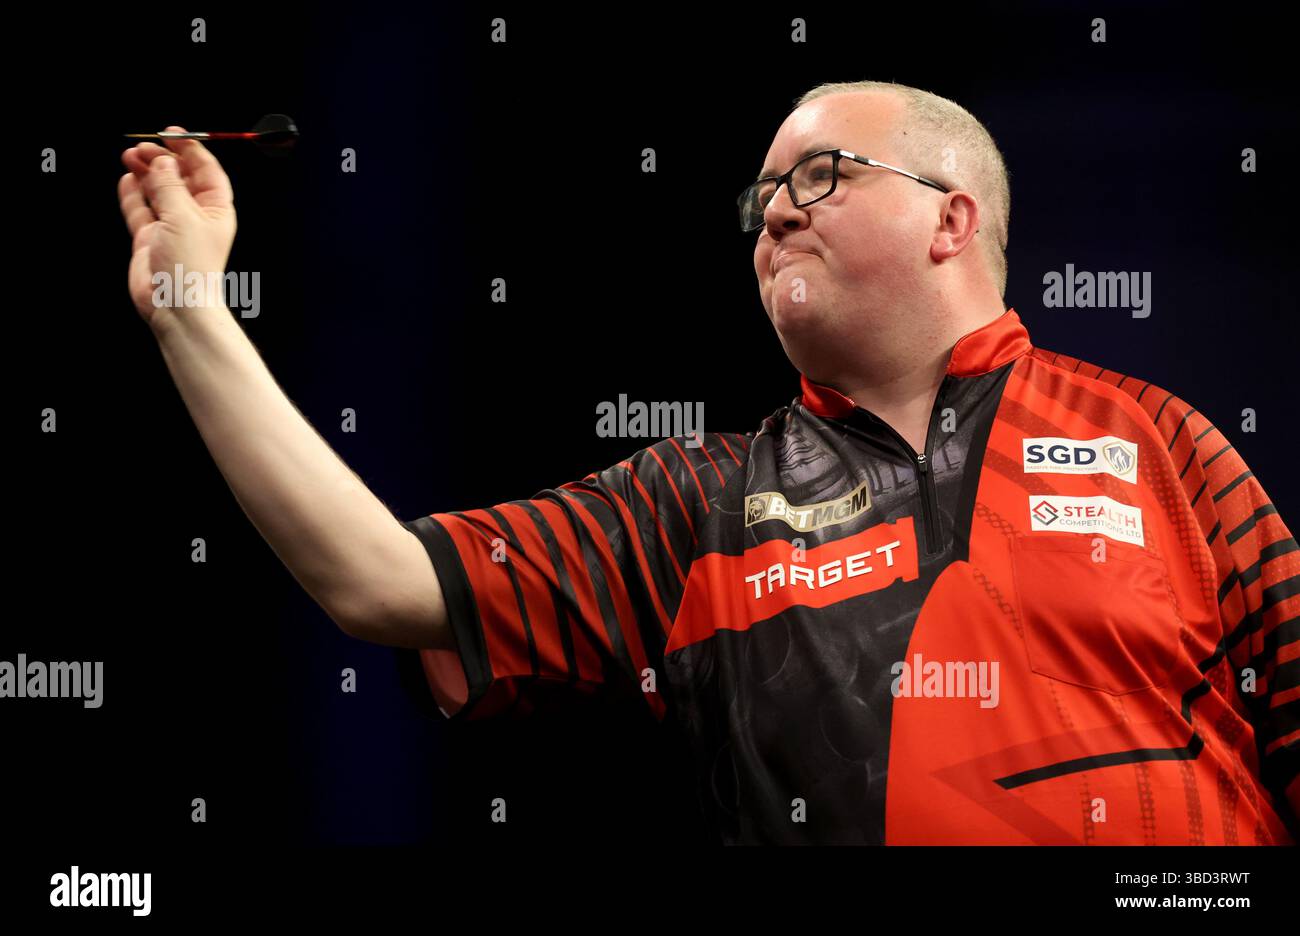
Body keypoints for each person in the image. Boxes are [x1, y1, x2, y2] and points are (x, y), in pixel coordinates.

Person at [119, 81, 1298, 845]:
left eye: (819, 176)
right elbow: (378, 581)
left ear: (950, 221)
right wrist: (190, 311)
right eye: (762, 195)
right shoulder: (698, 503)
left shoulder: (1160, 440)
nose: (774, 213)